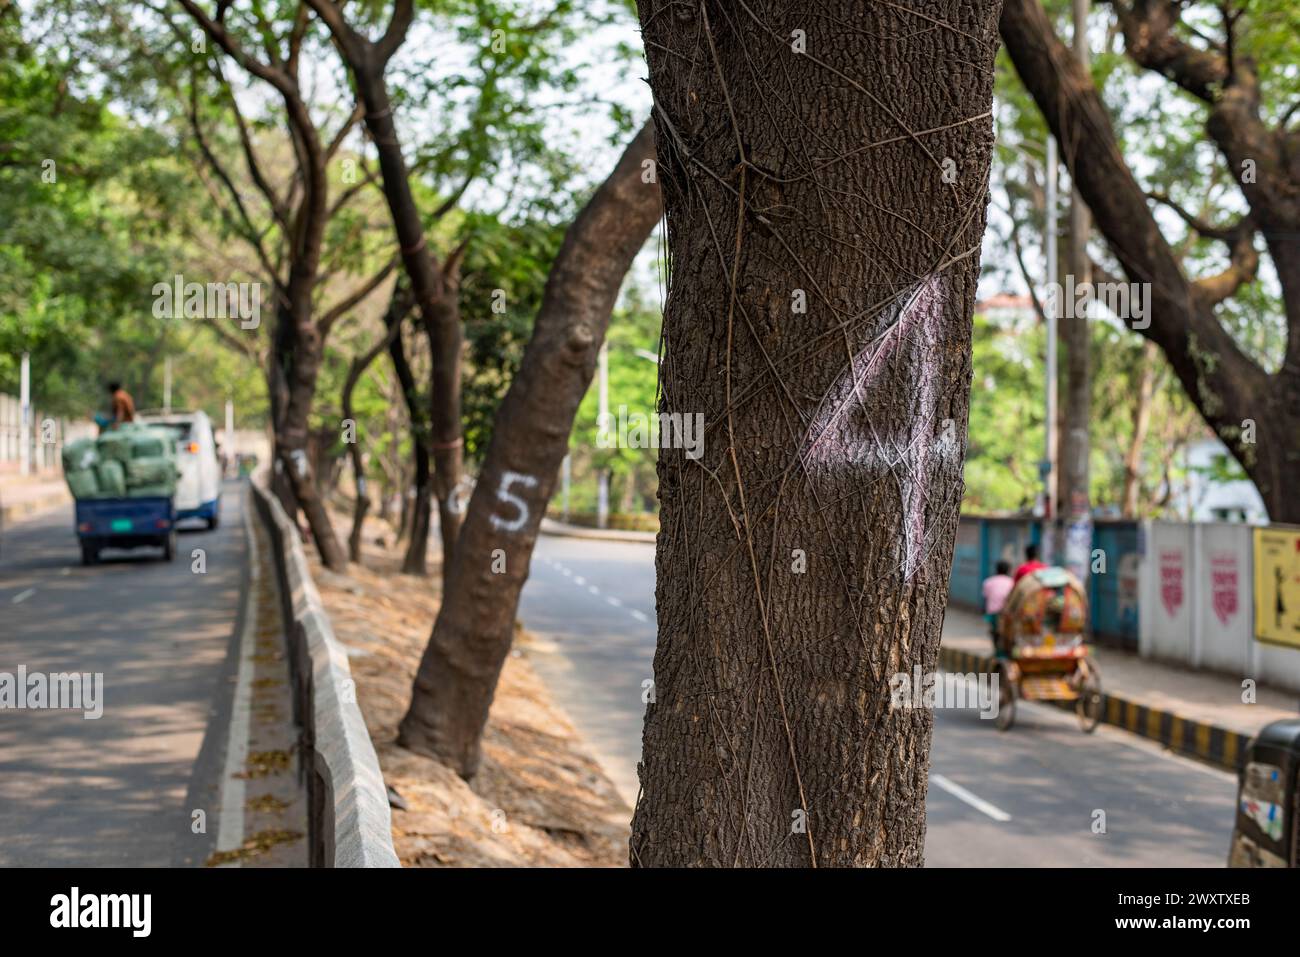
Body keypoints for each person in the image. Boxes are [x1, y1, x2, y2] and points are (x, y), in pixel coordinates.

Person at [982, 560, 1014, 651]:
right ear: (1008, 570)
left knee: (995, 631)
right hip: (1006, 613)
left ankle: (996, 650)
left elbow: (986, 598)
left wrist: (984, 612)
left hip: (992, 612)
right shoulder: (1011, 582)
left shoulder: (988, 582)